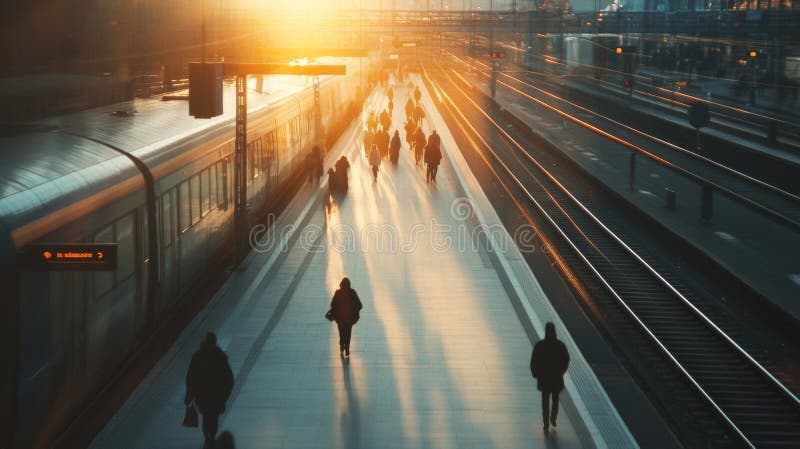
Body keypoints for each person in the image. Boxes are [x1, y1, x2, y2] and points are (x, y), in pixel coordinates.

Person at [185, 332, 234, 448]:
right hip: (216, 395)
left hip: (202, 394)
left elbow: (191, 376)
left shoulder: (198, 356)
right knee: (213, 416)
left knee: (207, 416)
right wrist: (224, 395)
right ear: (214, 342)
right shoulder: (220, 357)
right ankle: (210, 435)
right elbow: (229, 379)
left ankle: (208, 435)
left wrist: (189, 394)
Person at [530, 322, 570, 433]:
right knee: (555, 399)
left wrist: (535, 373)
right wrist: (562, 371)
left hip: (544, 378)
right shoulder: (560, 345)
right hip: (556, 378)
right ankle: (553, 417)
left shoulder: (540, 346)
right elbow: (566, 359)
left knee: (545, 401)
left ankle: (546, 422)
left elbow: (534, 361)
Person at [330, 277, 363, 356]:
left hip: (340, 318)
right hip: (349, 318)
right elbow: (359, 305)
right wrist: (354, 311)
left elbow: (332, 304)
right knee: (348, 333)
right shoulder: (352, 292)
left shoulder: (338, 292)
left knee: (341, 332)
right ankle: (347, 347)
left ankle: (342, 344)